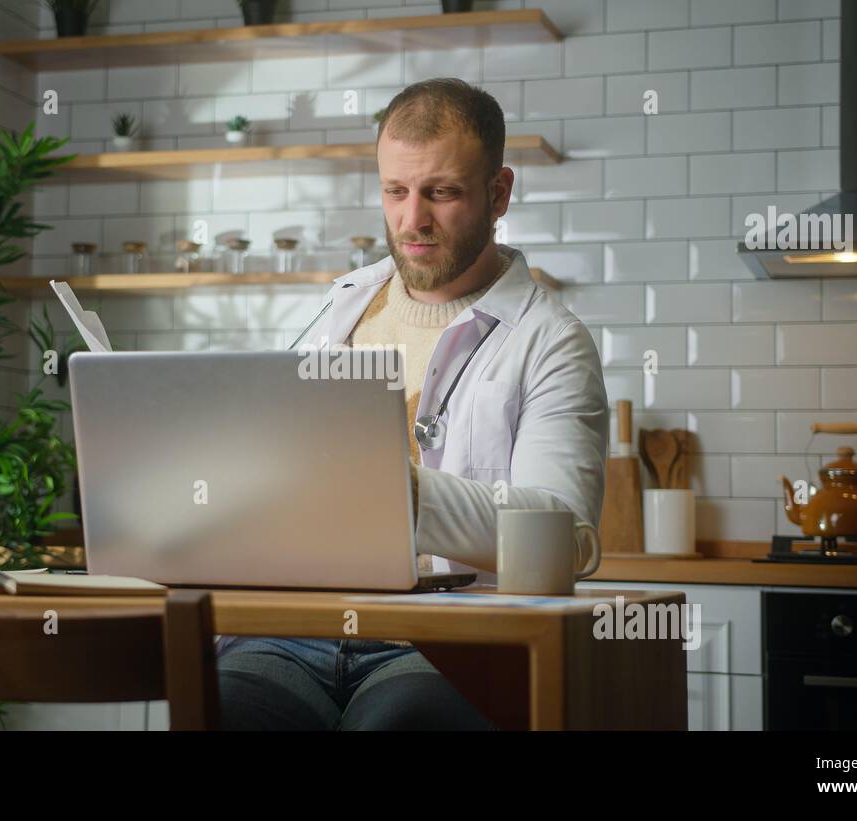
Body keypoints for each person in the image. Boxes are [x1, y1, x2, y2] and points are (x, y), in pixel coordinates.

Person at [216, 78, 608, 730]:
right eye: (394, 191)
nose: (411, 220)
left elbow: (563, 531)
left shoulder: (552, 340)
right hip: (298, 629)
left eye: (441, 192)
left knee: (397, 724)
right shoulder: (340, 311)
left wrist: (398, 494)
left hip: (442, 639)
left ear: (499, 193)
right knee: (223, 707)